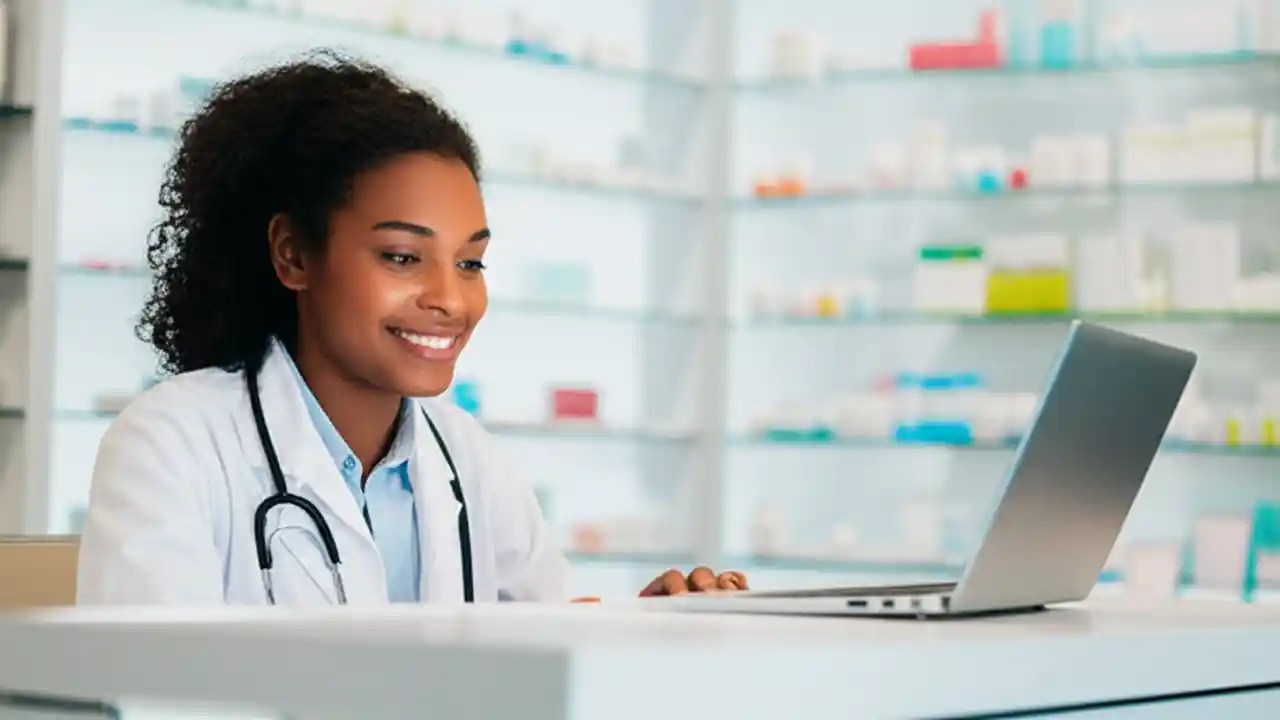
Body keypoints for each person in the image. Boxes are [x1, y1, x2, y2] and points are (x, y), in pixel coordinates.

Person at [76, 52, 747, 605]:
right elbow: (152, 698)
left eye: (470, 262)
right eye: (402, 257)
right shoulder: (172, 444)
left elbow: (542, 665)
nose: (450, 299)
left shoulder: (468, 460)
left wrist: (647, 634)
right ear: (294, 255)